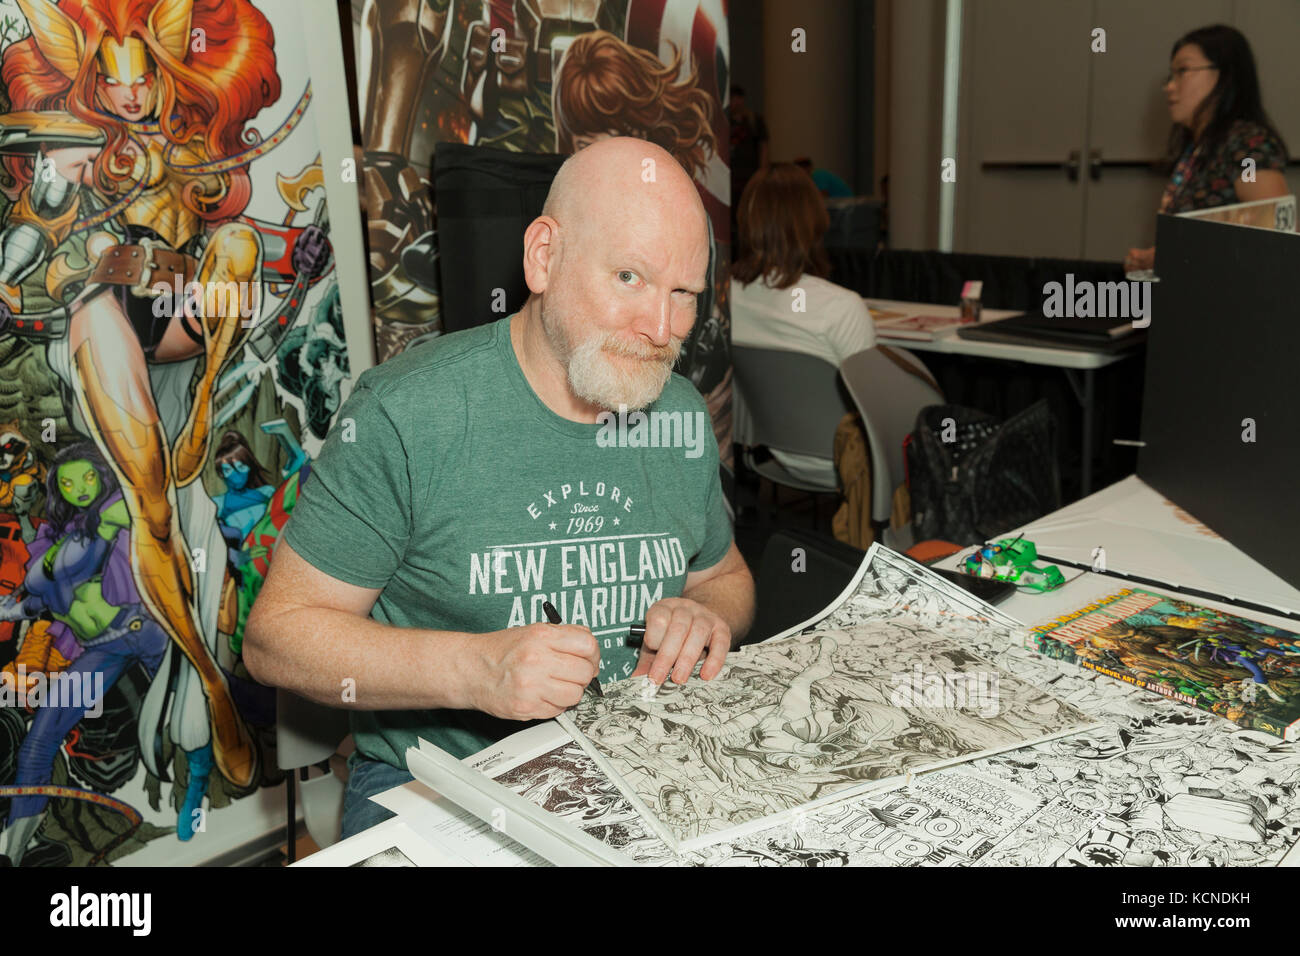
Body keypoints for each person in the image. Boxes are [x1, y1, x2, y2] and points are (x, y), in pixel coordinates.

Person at [243, 137, 755, 838]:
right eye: (630, 278)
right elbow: (276, 638)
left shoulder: (680, 414)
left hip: (641, 768)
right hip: (435, 785)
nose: (662, 330)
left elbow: (725, 578)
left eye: (684, 294)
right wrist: (475, 670)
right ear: (544, 257)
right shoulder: (408, 411)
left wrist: (710, 616)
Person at [730, 163, 876, 488]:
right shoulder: (842, 307)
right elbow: (873, 410)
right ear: (815, 222)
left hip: (774, 455)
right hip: (851, 463)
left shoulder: (724, 298)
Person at [1125, 24, 1288, 272]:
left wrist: (1173, 256)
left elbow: (1275, 233)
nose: (1170, 86)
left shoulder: (1247, 149)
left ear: (1224, 75)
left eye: (1183, 71)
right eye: (1171, 75)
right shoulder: (1198, 149)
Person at [729, 85, 769, 221]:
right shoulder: (725, 122)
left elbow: (763, 146)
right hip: (731, 175)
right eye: (733, 99)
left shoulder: (754, 121)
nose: (736, 102)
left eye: (739, 98)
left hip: (751, 174)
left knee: (751, 209)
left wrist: (763, 171)